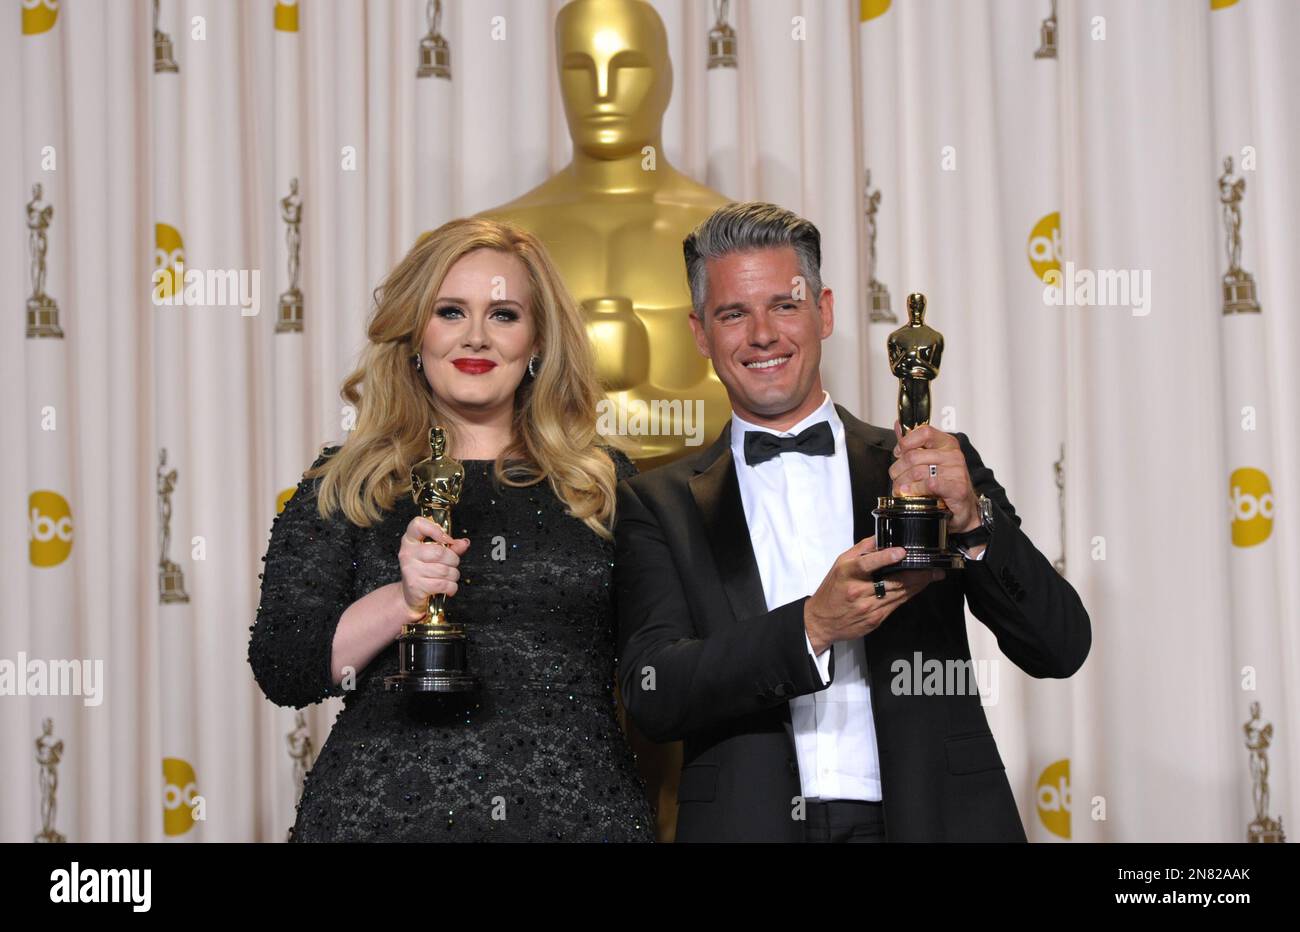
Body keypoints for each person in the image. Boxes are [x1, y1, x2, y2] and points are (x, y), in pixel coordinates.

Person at [614, 201, 1091, 842]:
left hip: (930, 821)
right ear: (700, 333)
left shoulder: (924, 464)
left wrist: (976, 525)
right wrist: (812, 626)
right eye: (734, 313)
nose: (762, 334)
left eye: (784, 305)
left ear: (825, 312)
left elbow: (1059, 646)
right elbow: (653, 693)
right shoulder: (657, 502)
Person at [248, 217, 654, 842]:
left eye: (503, 315)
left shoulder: (601, 484)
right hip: (383, 819)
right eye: (450, 311)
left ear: (538, 340)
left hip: (576, 818)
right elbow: (284, 668)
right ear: (415, 332)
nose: (476, 337)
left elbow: (667, 668)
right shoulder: (350, 482)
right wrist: (402, 601)